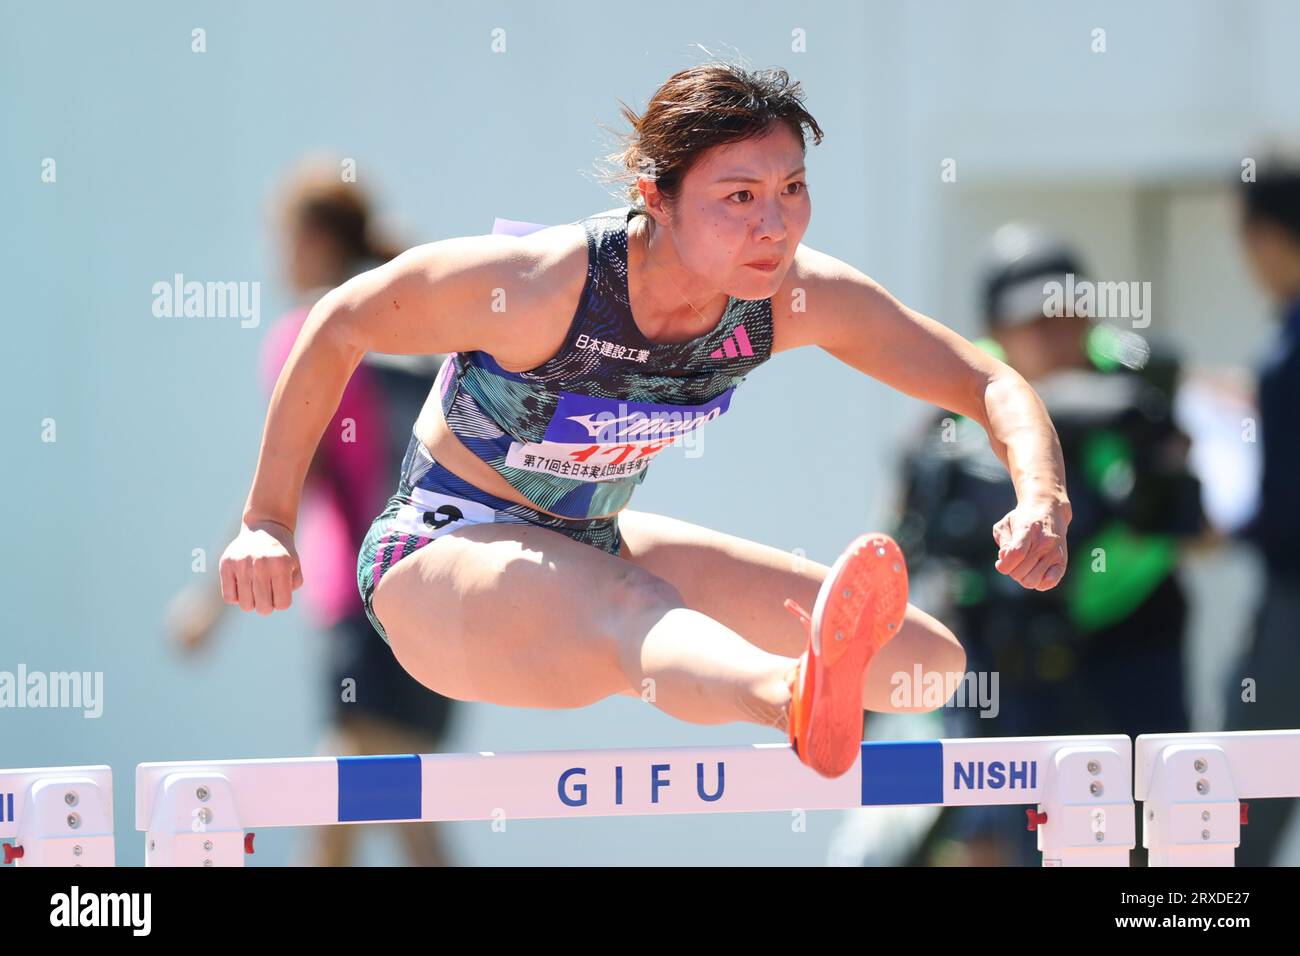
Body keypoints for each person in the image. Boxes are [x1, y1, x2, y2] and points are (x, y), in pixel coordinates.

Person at [218, 63, 1072, 781]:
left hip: (590, 541)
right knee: (635, 602)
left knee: (923, 665)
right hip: (437, 559)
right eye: (738, 196)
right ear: (654, 198)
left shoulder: (791, 296)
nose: (773, 226)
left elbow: (988, 381)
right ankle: (789, 695)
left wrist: (1042, 495)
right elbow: (340, 322)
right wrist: (266, 520)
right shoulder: (543, 284)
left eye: (792, 189)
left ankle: (796, 680)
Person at [167, 159, 457, 865]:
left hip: (368, 603)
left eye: (286, 238)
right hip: (450, 598)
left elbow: (279, 491)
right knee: (397, 800)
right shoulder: (415, 327)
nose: (278, 258)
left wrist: (210, 605)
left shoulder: (316, 336)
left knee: (355, 789)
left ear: (319, 241)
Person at [887, 224, 1204, 866]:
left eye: (1069, 311)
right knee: (994, 836)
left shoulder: (1141, 382)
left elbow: (1196, 525)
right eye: (1035, 319)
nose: (1057, 333)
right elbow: (912, 542)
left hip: (1127, 636)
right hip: (1003, 650)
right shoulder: (954, 398)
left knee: (1150, 827)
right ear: (996, 334)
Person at [1222, 147, 1300, 865]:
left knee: (1236, 818)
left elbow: (1284, 513)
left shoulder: (1285, 358)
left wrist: (1216, 530)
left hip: (1293, 611)